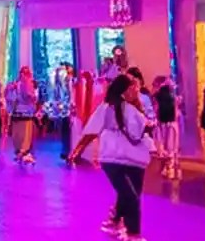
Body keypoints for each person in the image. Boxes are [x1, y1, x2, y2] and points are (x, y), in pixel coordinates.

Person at [69, 74, 153, 241]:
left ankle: (115, 222)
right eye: (133, 87)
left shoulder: (135, 108)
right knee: (130, 196)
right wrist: (78, 150)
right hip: (115, 158)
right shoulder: (109, 108)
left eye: (136, 86)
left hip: (135, 160)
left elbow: (142, 133)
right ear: (125, 89)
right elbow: (92, 131)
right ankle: (133, 233)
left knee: (129, 194)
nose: (136, 90)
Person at [5, 66, 39, 164]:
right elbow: (30, 96)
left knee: (20, 133)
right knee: (24, 133)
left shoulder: (16, 84)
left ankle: (21, 152)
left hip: (18, 112)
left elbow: (9, 97)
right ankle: (24, 153)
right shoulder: (26, 83)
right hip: (25, 112)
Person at [150, 76, 181, 179]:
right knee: (171, 146)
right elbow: (176, 112)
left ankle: (167, 168)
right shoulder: (174, 97)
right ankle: (170, 168)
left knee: (163, 146)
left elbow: (155, 109)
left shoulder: (156, 96)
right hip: (171, 123)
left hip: (161, 123)